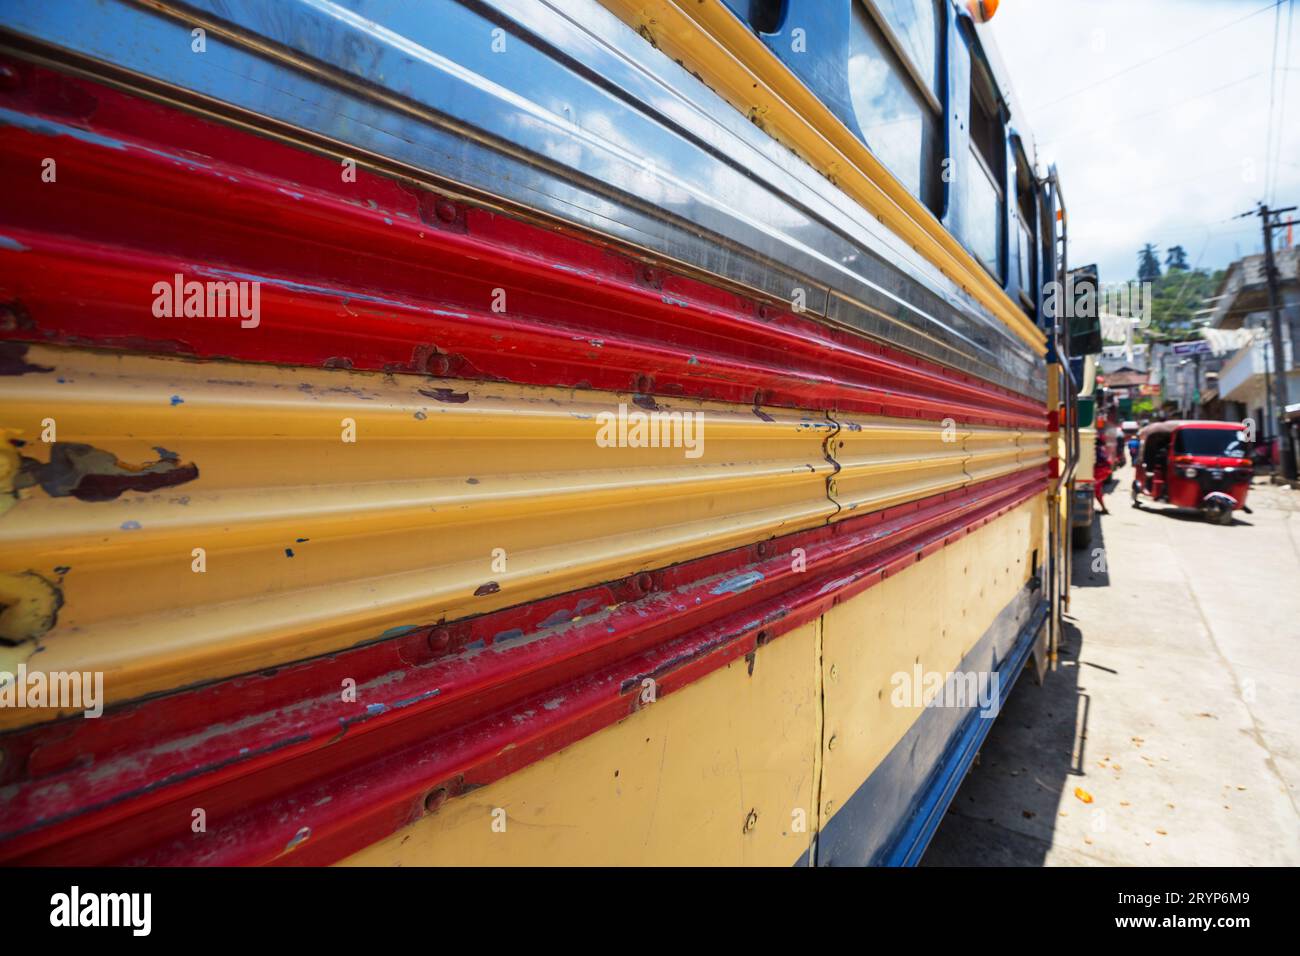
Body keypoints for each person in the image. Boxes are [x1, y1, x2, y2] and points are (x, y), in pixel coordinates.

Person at [1094, 442, 1112, 515]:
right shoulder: (1101, 449)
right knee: (1097, 491)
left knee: (1096, 491)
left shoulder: (1095, 449)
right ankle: (1103, 508)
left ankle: (1103, 508)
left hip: (1098, 472)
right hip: (1103, 472)